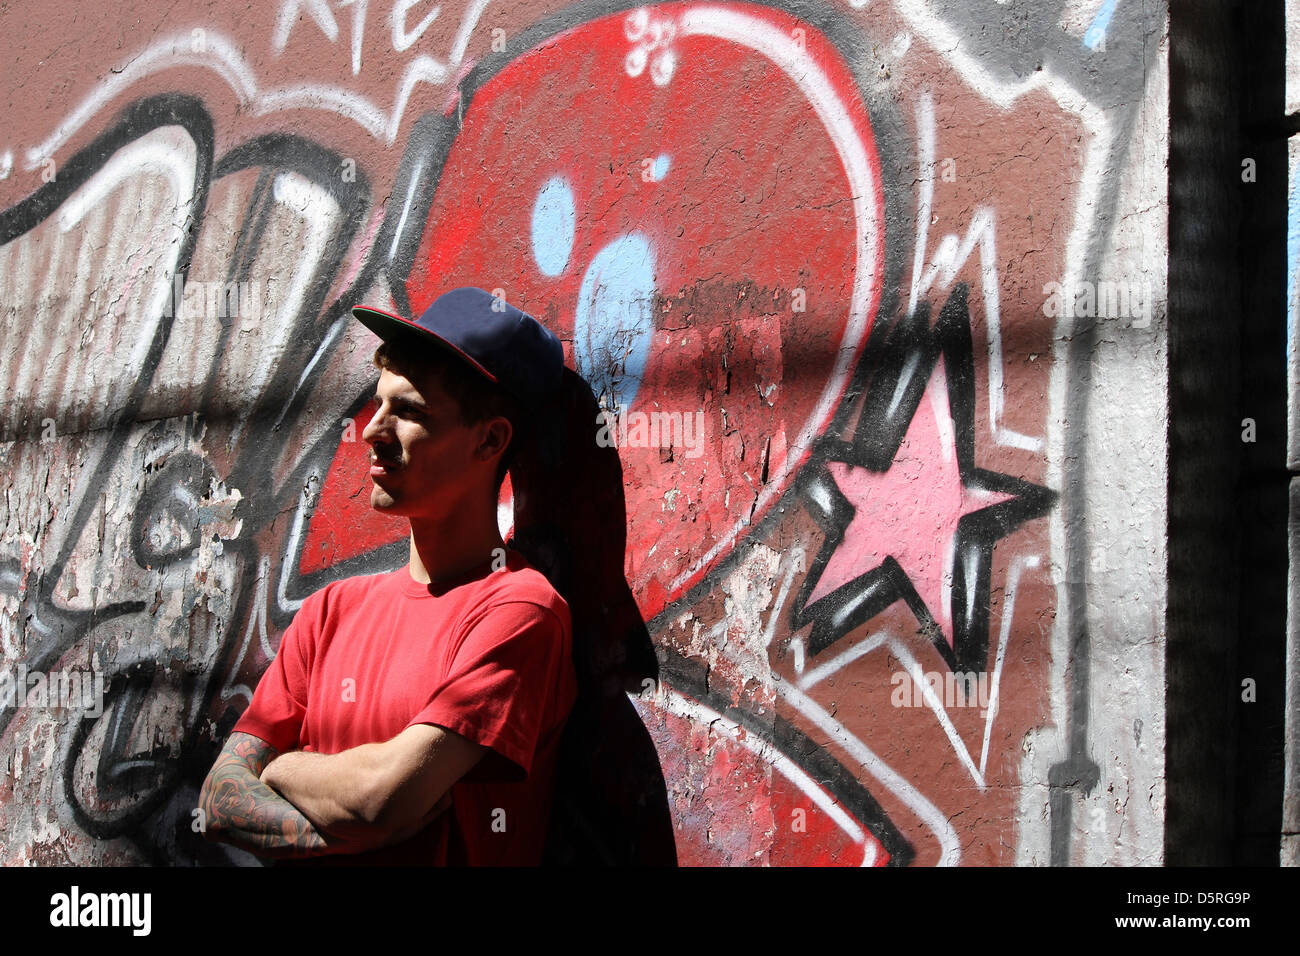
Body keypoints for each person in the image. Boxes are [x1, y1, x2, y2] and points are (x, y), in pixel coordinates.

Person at [197, 286, 578, 865]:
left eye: (408, 411)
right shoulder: (329, 612)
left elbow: (383, 801)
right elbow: (220, 802)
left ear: (490, 439)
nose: (373, 430)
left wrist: (281, 768)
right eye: (378, 404)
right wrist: (354, 817)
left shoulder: (519, 612)